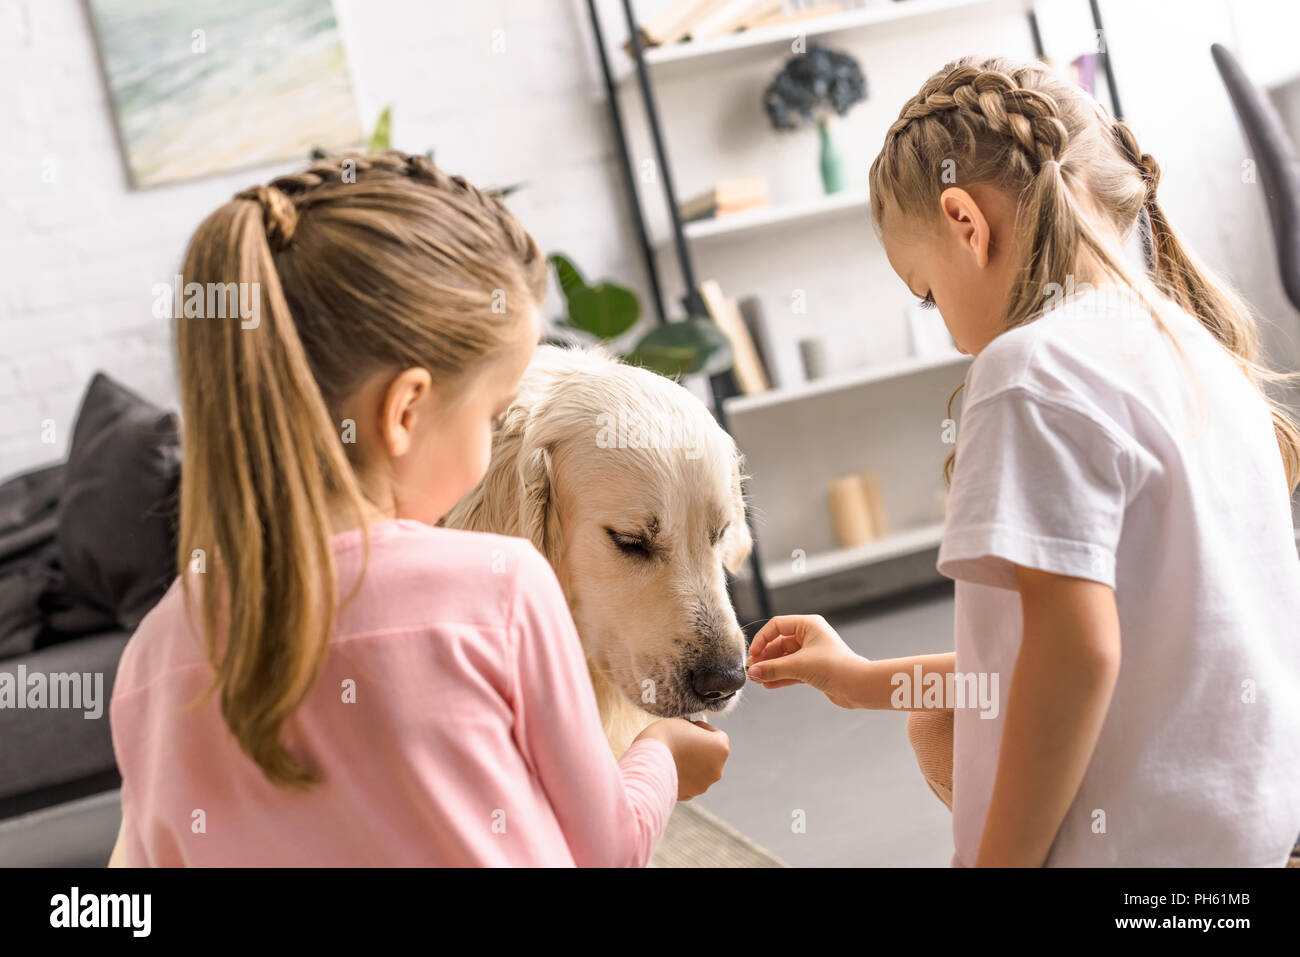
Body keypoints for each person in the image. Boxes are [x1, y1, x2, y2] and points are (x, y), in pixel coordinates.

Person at [747, 56, 1300, 867]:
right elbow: (1107, 649)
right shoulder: (1198, 347)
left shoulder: (1029, 369)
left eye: (928, 292)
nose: (949, 330)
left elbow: (1074, 656)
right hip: (1247, 849)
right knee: (933, 718)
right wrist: (860, 677)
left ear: (965, 221)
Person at [107, 151, 728, 867]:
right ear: (404, 411)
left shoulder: (153, 654)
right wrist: (659, 758)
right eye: (494, 414)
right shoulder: (501, 584)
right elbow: (606, 847)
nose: (497, 443)